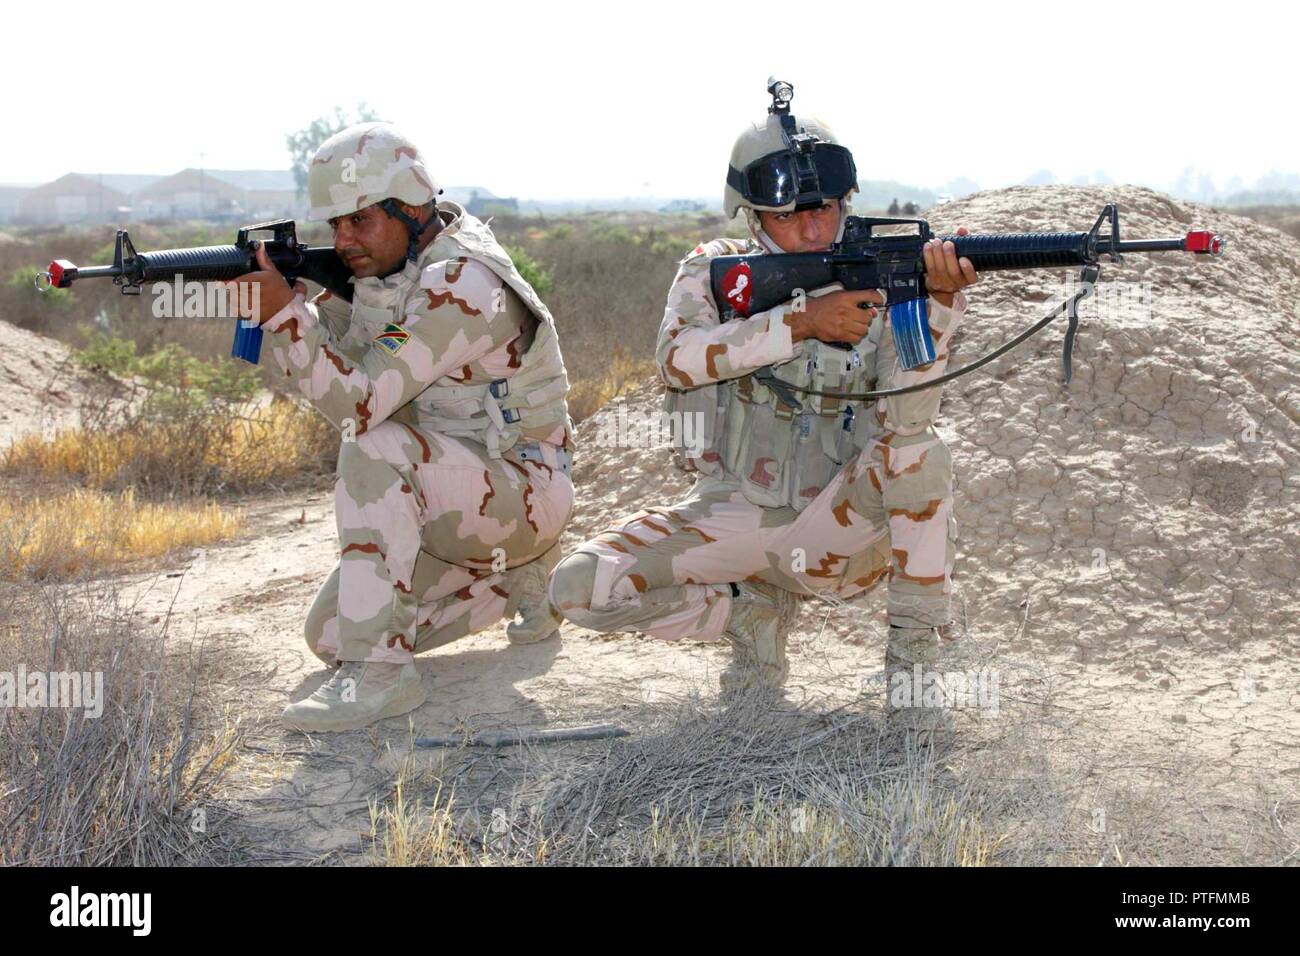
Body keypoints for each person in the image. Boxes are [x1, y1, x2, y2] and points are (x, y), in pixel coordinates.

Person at [547, 81, 977, 737]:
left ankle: (914, 686)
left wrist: (939, 304)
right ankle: (746, 605)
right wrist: (799, 323)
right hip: (735, 509)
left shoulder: (886, 273)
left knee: (920, 452)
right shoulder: (714, 273)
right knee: (577, 588)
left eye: (827, 209)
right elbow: (677, 359)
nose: (812, 228)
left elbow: (906, 422)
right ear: (752, 217)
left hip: (838, 528)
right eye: (789, 215)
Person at [230, 122, 576, 732]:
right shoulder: (385, 274)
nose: (342, 240)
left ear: (411, 207)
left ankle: (383, 677)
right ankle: (517, 582)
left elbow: (359, 405)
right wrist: (308, 310)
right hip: (453, 493)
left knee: (372, 445)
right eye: (333, 224)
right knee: (333, 634)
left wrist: (285, 316)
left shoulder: (462, 282)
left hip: (526, 491)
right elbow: (345, 370)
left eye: (358, 220)